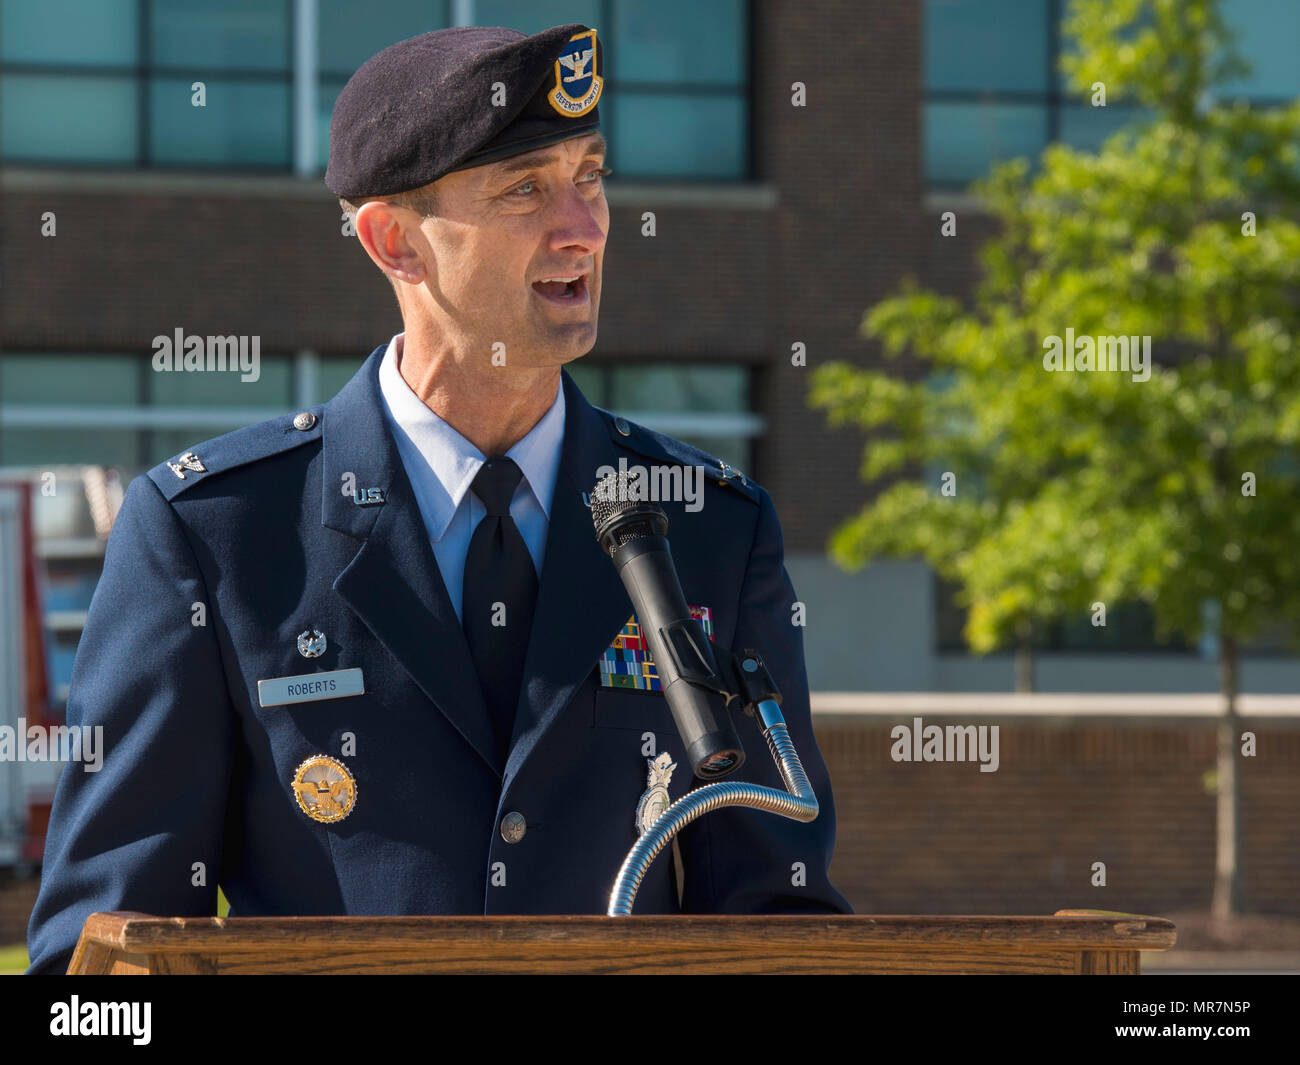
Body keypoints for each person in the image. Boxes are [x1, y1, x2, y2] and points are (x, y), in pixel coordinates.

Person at [26, 22, 851, 976]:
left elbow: (776, 919)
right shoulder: (214, 536)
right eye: (524, 189)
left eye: (590, 176)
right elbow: (99, 953)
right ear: (394, 242)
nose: (583, 226)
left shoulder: (711, 528)